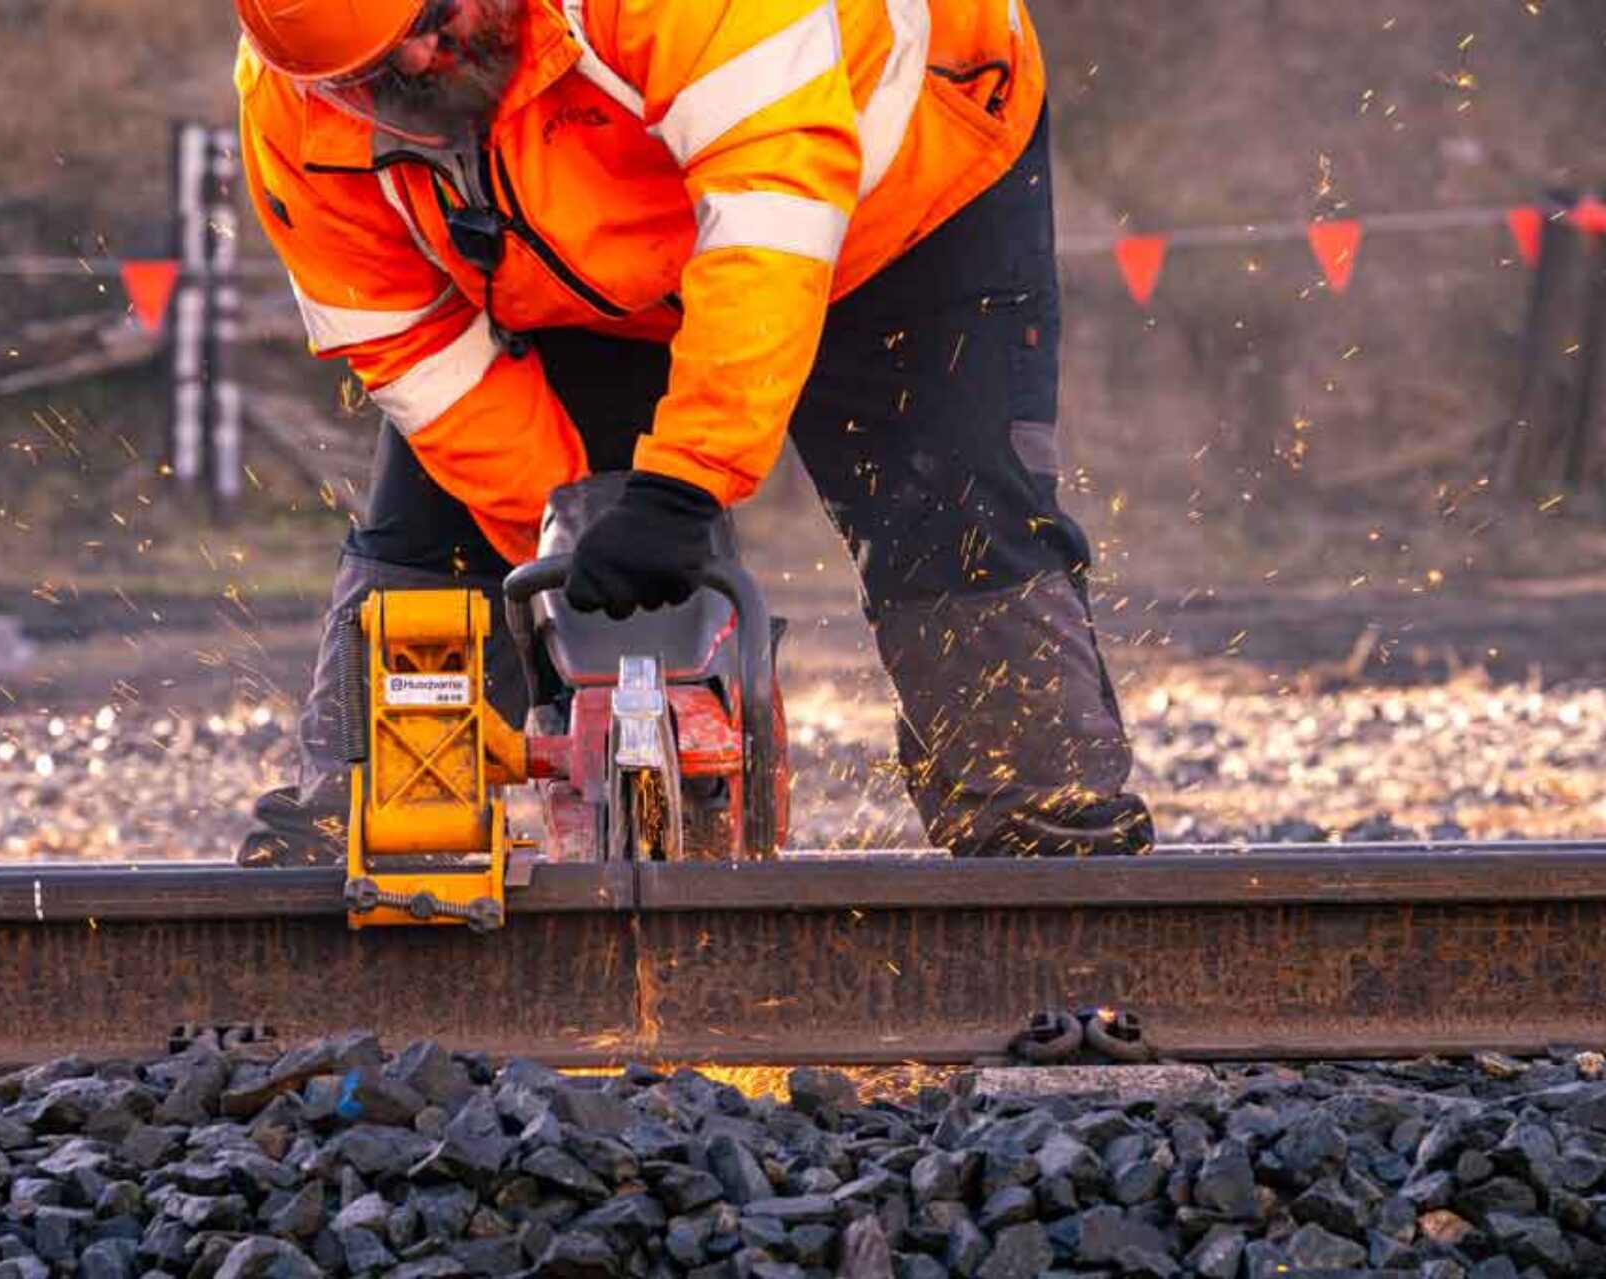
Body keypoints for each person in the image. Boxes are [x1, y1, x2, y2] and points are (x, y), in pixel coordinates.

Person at [232, 0, 1153, 863]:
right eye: (371, 75)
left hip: (902, 184)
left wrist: (685, 483)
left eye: (437, 15)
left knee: (949, 510)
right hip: (581, 257)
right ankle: (359, 837)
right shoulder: (296, 112)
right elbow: (416, 350)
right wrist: (565, 543)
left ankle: (1047, 840)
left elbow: (770, 205)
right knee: (443, 553)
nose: (420, 59)